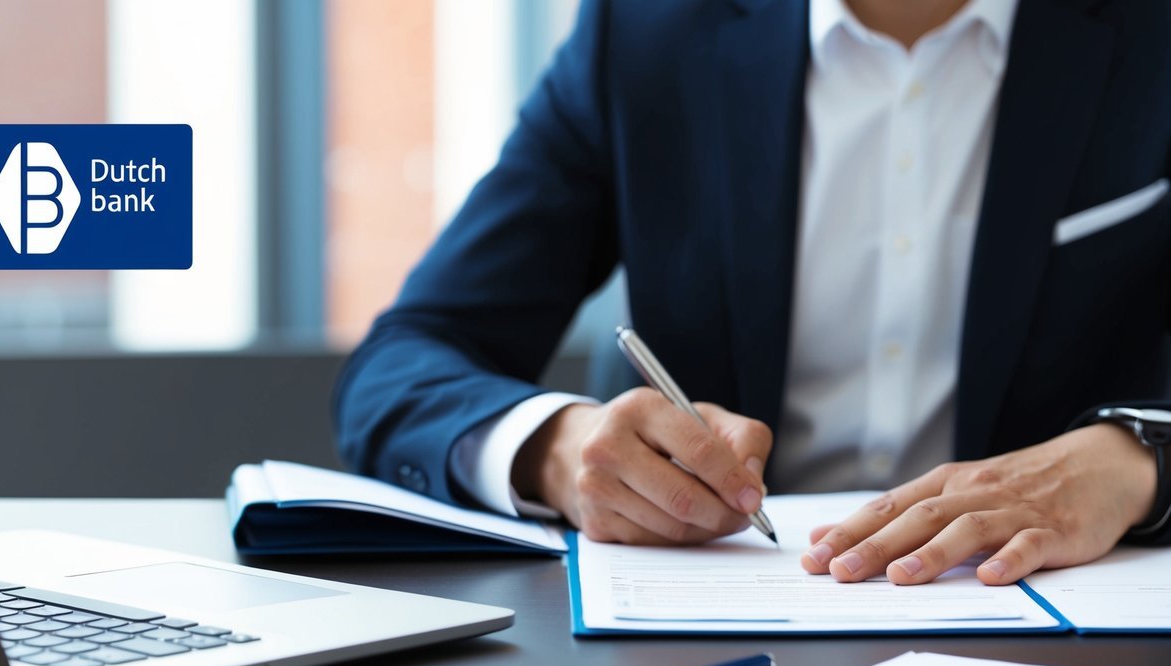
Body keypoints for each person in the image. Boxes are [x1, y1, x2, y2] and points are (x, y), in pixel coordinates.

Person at [333, 0, 1171, 586]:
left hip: (1066, 624)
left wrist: (1140, 458)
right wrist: (558, 448)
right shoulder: (643, 34)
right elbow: (402, 363)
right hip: (725, 622)